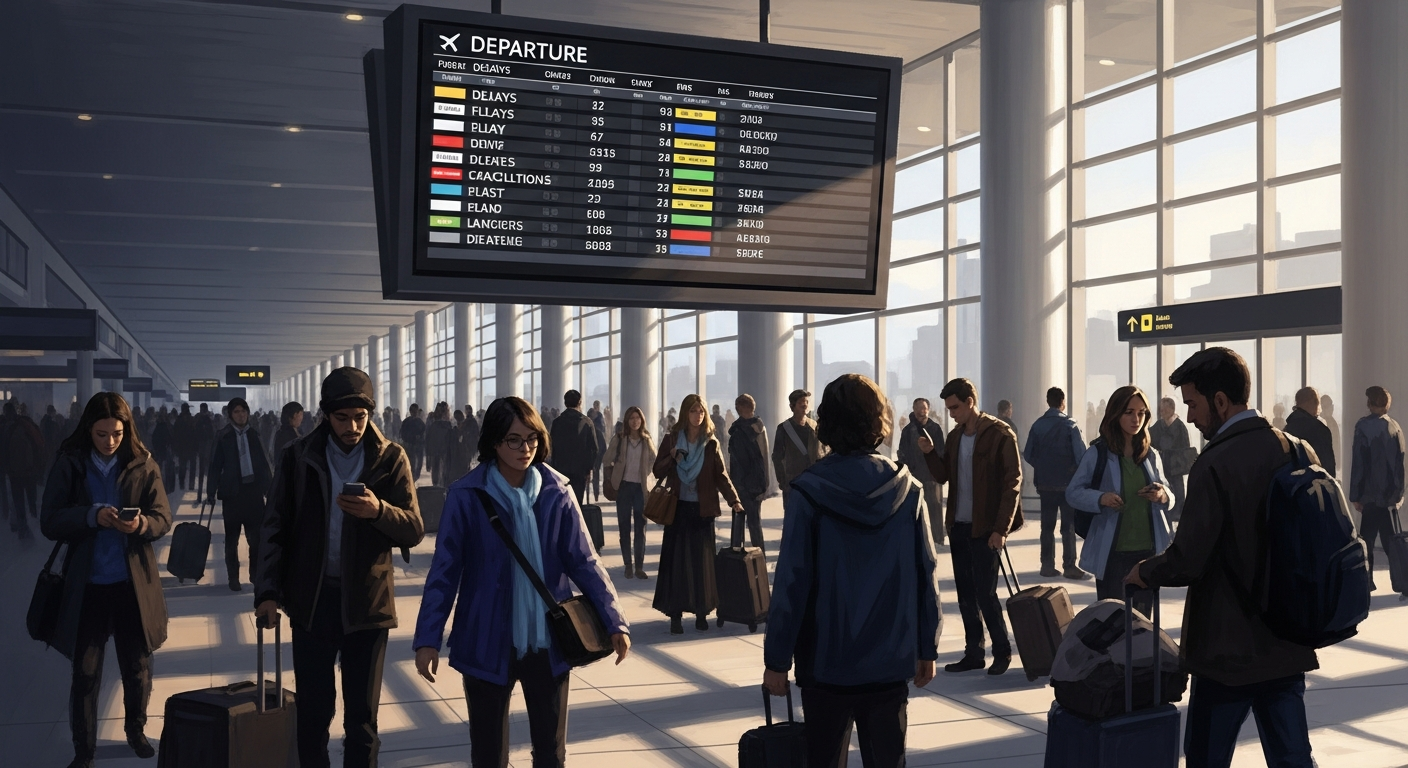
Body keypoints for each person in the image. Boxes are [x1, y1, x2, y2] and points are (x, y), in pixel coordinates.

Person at [413, 396, 630, 768]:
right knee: (488, 755)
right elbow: (445, 572)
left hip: (549, 640)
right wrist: (428, 638)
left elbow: (584, 561)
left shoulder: (556, 491)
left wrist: (614, 621)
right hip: (485, 638)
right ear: (494, 442)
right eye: (513, 439)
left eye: (531, 438)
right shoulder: (467, 495)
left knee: (550, 753)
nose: (525, 448)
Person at [1127, 347, 1318, 768]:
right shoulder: (1297, 450)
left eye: (1194, 404)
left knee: (1206, 758)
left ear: (1219, 401)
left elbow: (1188, 559)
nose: (1191, 417)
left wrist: (1146, 571)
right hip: (1288, 640)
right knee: (1292, 758)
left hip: (1226, 651)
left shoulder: (1214, 463)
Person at [763, 374, 941, 768]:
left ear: (828, 422)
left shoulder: (808, 491)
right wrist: (926, 646)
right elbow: (924, 572)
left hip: (826, 662)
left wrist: (777, 660)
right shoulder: (908, 490)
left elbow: (791, 582)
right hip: (889, 660)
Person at [255, 367, 424, 768]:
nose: (353, 426)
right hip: (313, 602)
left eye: (360, 417)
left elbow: (414, 528)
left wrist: (377, 510)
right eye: (343, 418)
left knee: (362, 720)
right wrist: (267, 592)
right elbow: (274, 526)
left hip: (367, 603)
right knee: (313, 714)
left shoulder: (391, 457)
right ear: (325, 415)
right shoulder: (297, 457)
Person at [40, 392, 172, 768]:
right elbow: (49, 519)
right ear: (88, 429)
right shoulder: (71, 464)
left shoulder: (143, 464)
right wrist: (89, 516)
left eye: (117, 433)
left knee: (136, 668)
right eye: (101, 434)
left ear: (126, 429)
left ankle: (135, 729)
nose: (110, 441)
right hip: (87, 586)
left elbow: (162, 517)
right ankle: (84, 751)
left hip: (132, 585)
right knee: (85, 674)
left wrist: (141, 524)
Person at [918, 378, 1022, 675]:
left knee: (986, 594)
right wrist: (928, 452)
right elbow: (942, 477)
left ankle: (1002, 651)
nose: (951, 413)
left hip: (986, 528)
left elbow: (1012, 484)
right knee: (965, 594)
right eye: (948, 408)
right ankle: (974, 652)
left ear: (970, 402)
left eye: (955, 407)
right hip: (960, 526)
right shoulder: (954, 438)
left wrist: (1000, 529)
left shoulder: (1000, 434)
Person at [1064, 386, 1174, 618]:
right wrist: (1100, 498)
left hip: (1147, 552)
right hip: (1112, 553)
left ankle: (1138, 657)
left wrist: (1162, 494)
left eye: (1142, 413)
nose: (1136, 419)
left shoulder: (1150, 455)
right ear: (1115, 414)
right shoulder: (1097, 453)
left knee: (1142, 624)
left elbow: (1168, 494)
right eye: (1129, 412)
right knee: (1111, 622)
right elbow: (1073, 492)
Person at [653, 394, 744, 634]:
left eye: (701, 411)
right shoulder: (672, 439)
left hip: (702, 510)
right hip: (677, 508)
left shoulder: (710, 443)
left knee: (702, 564)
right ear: (685, 413)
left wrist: (734, 500)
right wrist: (671, 456)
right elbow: (656, 470)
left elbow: (721, 476)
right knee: (677, 564)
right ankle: (675, 615)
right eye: (694, 411)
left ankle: (702, 613)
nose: (698, 415)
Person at [207, 397, 273, 591]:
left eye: (243, 411)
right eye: (236, 412)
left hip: (253, 493)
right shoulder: (223, 436)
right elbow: (214, 465)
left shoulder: (255, 434)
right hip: (232, 495)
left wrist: (270, 489)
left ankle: (254, 575)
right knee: (231, 540)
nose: (241, 415)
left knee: (256, 539)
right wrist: (211, 491)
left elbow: (263, 463)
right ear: (230, 415)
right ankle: (233, 579)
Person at [1023, 387, 1090, 579]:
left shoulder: (1037, 425)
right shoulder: (1071, 425)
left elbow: (1028, 454)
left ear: (1048, 401)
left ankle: (1047, 565)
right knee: (1068, 526)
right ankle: (1069, 566)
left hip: (1045, 484)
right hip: (1067, 484)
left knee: (1047, 526)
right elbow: (1081, 456)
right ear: (1063, 402)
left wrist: (1043, 466)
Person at [1349, 385, 1405, 593]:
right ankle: (1401, 581)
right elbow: (1400, 465)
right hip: (1389, 497)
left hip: (1370, 496)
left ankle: (1367, 582)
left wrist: (1356, 494)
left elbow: (1359, 463)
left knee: (1367, 541)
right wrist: (1398, 494)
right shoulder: (1395, 427)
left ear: (1370, 403)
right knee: (1393, 543)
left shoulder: (1363, 427)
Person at [604, 405, 656, 579]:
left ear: (642, 421)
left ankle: (639, 566)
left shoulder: (646, 440)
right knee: (624, 527)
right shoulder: (619, 439)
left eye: (638, 418)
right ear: (627, 420)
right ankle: (628, 565)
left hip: (641, 488)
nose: (635, 421)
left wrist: (647, 473)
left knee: (641, 528)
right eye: (632, 418)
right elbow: (606, 459)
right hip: (624, 487)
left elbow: (654, 460)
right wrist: (612, 477)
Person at [897, 397, 947, 547]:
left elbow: (942, 451)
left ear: (928, 410)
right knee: (915, 508)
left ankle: (938, 538)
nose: (922, 411)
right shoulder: (907, 431)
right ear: (914, 410)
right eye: (919, 408)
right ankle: (917, 539)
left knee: (935, 506)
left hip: (932, 475)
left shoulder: (936, 428)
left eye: (924, 408)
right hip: (915, 475)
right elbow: (902, 453)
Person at [727, 394, 772, 552]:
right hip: (755, 482)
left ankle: (736, 559)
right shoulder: (759, 427)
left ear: (740, 408)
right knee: (754, 524)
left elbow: (733, 459)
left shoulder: (738, 429)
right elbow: (765, 456)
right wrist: (766, 482)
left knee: (739, 524)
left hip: (740, 482)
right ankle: (759, 558)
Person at [773, 389, 823, 512]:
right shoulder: (784, 428)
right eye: (801, 402)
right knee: (793, 516)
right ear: (792, 406)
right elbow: (777, 457)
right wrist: (782, 481)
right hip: (792, 481)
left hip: (812, 480)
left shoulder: (814, 426)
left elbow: (822, 452)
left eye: (806, 401)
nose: (805, 404)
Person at [547, 390, 599, 505]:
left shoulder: (557, 422)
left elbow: (551, 446)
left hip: (560, 469)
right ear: (580, 402)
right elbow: (594, 449)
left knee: (561, 503)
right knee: (576, 503)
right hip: (580, 471)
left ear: (565, 403)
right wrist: (589, 468)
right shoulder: (587, 422)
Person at [1149, 396, 1195, 523]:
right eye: (1161, 409)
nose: (1161, 412)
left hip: (1176, 470)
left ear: (1171, 409)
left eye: (1164, 409)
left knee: (1178, 497)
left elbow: (1185, 450)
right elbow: (1150, 441)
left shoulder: (1180, 427)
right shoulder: (1158, 425)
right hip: (1162, 468)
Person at [4, 401, 44, 540]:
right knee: (31, 499)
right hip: (30, 471)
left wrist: (7, 469)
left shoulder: (8, 429)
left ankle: (23, 530)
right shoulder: (27, 425)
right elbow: (38, 445)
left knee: (18, 501)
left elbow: (4, 452)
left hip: (15, 473)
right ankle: (35, 527)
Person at [1283, 387, 1336, 479]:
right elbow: (1328, 467)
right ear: (1310, 403)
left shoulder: (1287, 429)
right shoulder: (1320, 429)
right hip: (1316, 485)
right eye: (1317, 402)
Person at [426, 402, 454, 487]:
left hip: (437, 450)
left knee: (437, 469)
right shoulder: (448, 425)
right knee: (442, 469)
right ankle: (441, 486)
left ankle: (437, 485)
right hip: (443, 450)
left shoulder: (434, 424)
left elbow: (429, 438)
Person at [192, 402, 216, 497]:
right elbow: (212, 434)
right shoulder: (208, 420)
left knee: (203, 472)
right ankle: (208, 494)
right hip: (206, 448)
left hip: (202, 448)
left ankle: (200, 495)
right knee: (207, 472)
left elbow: (194, 434)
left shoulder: (199, 420)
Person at [172, 403, 196, 491]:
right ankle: (190, 484)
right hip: (191, 447)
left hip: (182, 447)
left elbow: (175, 435)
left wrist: (175, 448)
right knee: (191, 467)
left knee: (183, 467)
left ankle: (182, 484)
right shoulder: (192, 420)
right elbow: (195, 433)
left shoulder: (178, 420)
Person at [401, 404, 427, 482]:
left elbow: (424, 434)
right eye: (413, 411)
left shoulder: (420, 422)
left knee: (418, 464)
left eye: (415, 411)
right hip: (410, 446)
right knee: (411, 464)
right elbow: (403, 434)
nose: (414, 413)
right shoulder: (407, 422)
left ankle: (414, 478)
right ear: (411, 411)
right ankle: (412, 478)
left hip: (417, 446)